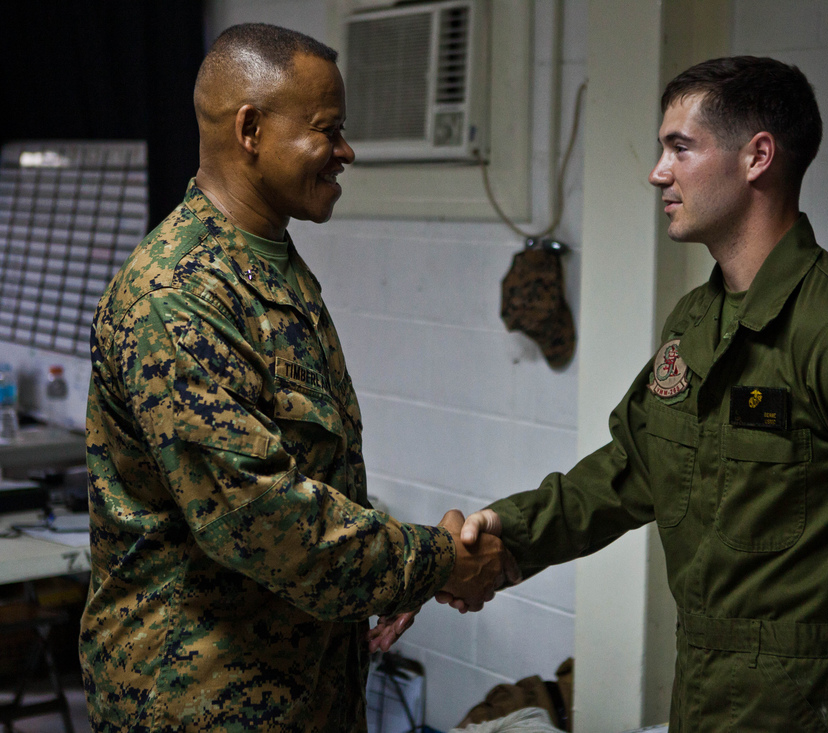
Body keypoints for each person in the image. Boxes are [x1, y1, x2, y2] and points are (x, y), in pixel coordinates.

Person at [447, 56, 828, 732]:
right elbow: (631, 469)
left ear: (757, 157)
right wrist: (508, 531)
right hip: (699, 687)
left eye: (680, 148)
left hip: (809, 702)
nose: (657, 172)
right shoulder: (697, 322)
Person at [81, 23, 515, 732]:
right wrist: (436, 562)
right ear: (250, 130)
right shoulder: (178, 295)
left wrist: (383, 580)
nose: (346, 151)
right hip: (198, 704)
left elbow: (312, 480)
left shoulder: (269, 268)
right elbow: (262, 519)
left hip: (303, 693)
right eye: (328, 130)